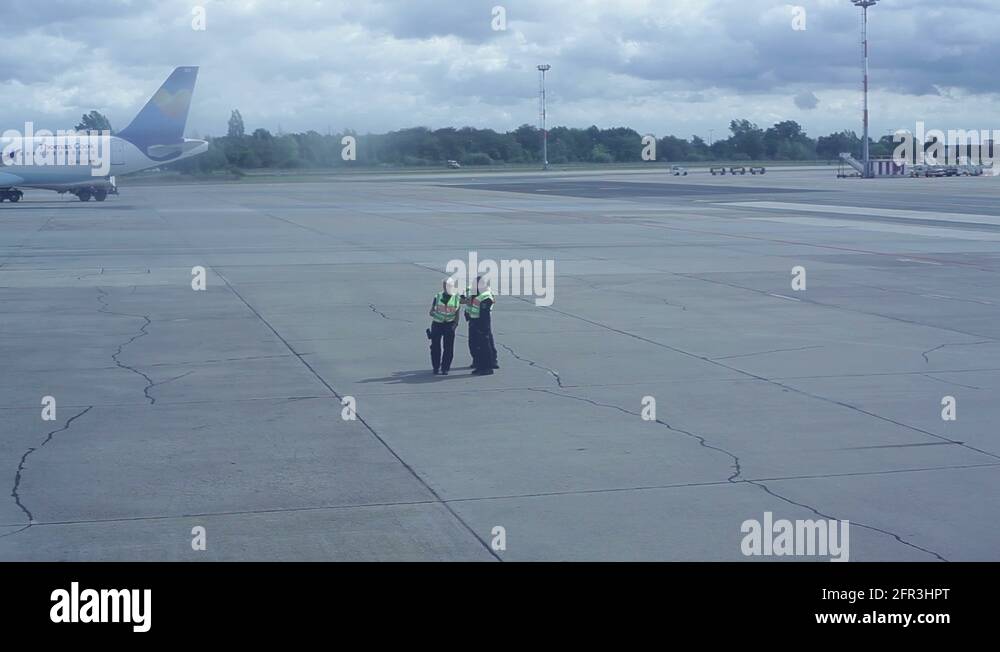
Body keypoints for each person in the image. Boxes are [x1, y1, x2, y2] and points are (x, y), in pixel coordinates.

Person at [463, 276, 498, 375]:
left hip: (481, 325)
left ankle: (487, 367)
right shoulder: (475, 294)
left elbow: (484, 315)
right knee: (477, 346)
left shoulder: (486, 297)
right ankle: (480, 366)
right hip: (474, 321)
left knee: (484, 347)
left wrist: (483, 329)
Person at [428, 278, 461, 375]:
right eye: (444, 285)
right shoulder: (438, 296)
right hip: (437, 324)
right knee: (435, 347)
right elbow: (431, 311)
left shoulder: (456, 298)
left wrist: (455, 325)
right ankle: (436, 366)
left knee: (448, 347)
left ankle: (445, 367)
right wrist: (433, 313)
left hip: (449, 324)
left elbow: (457, 313)